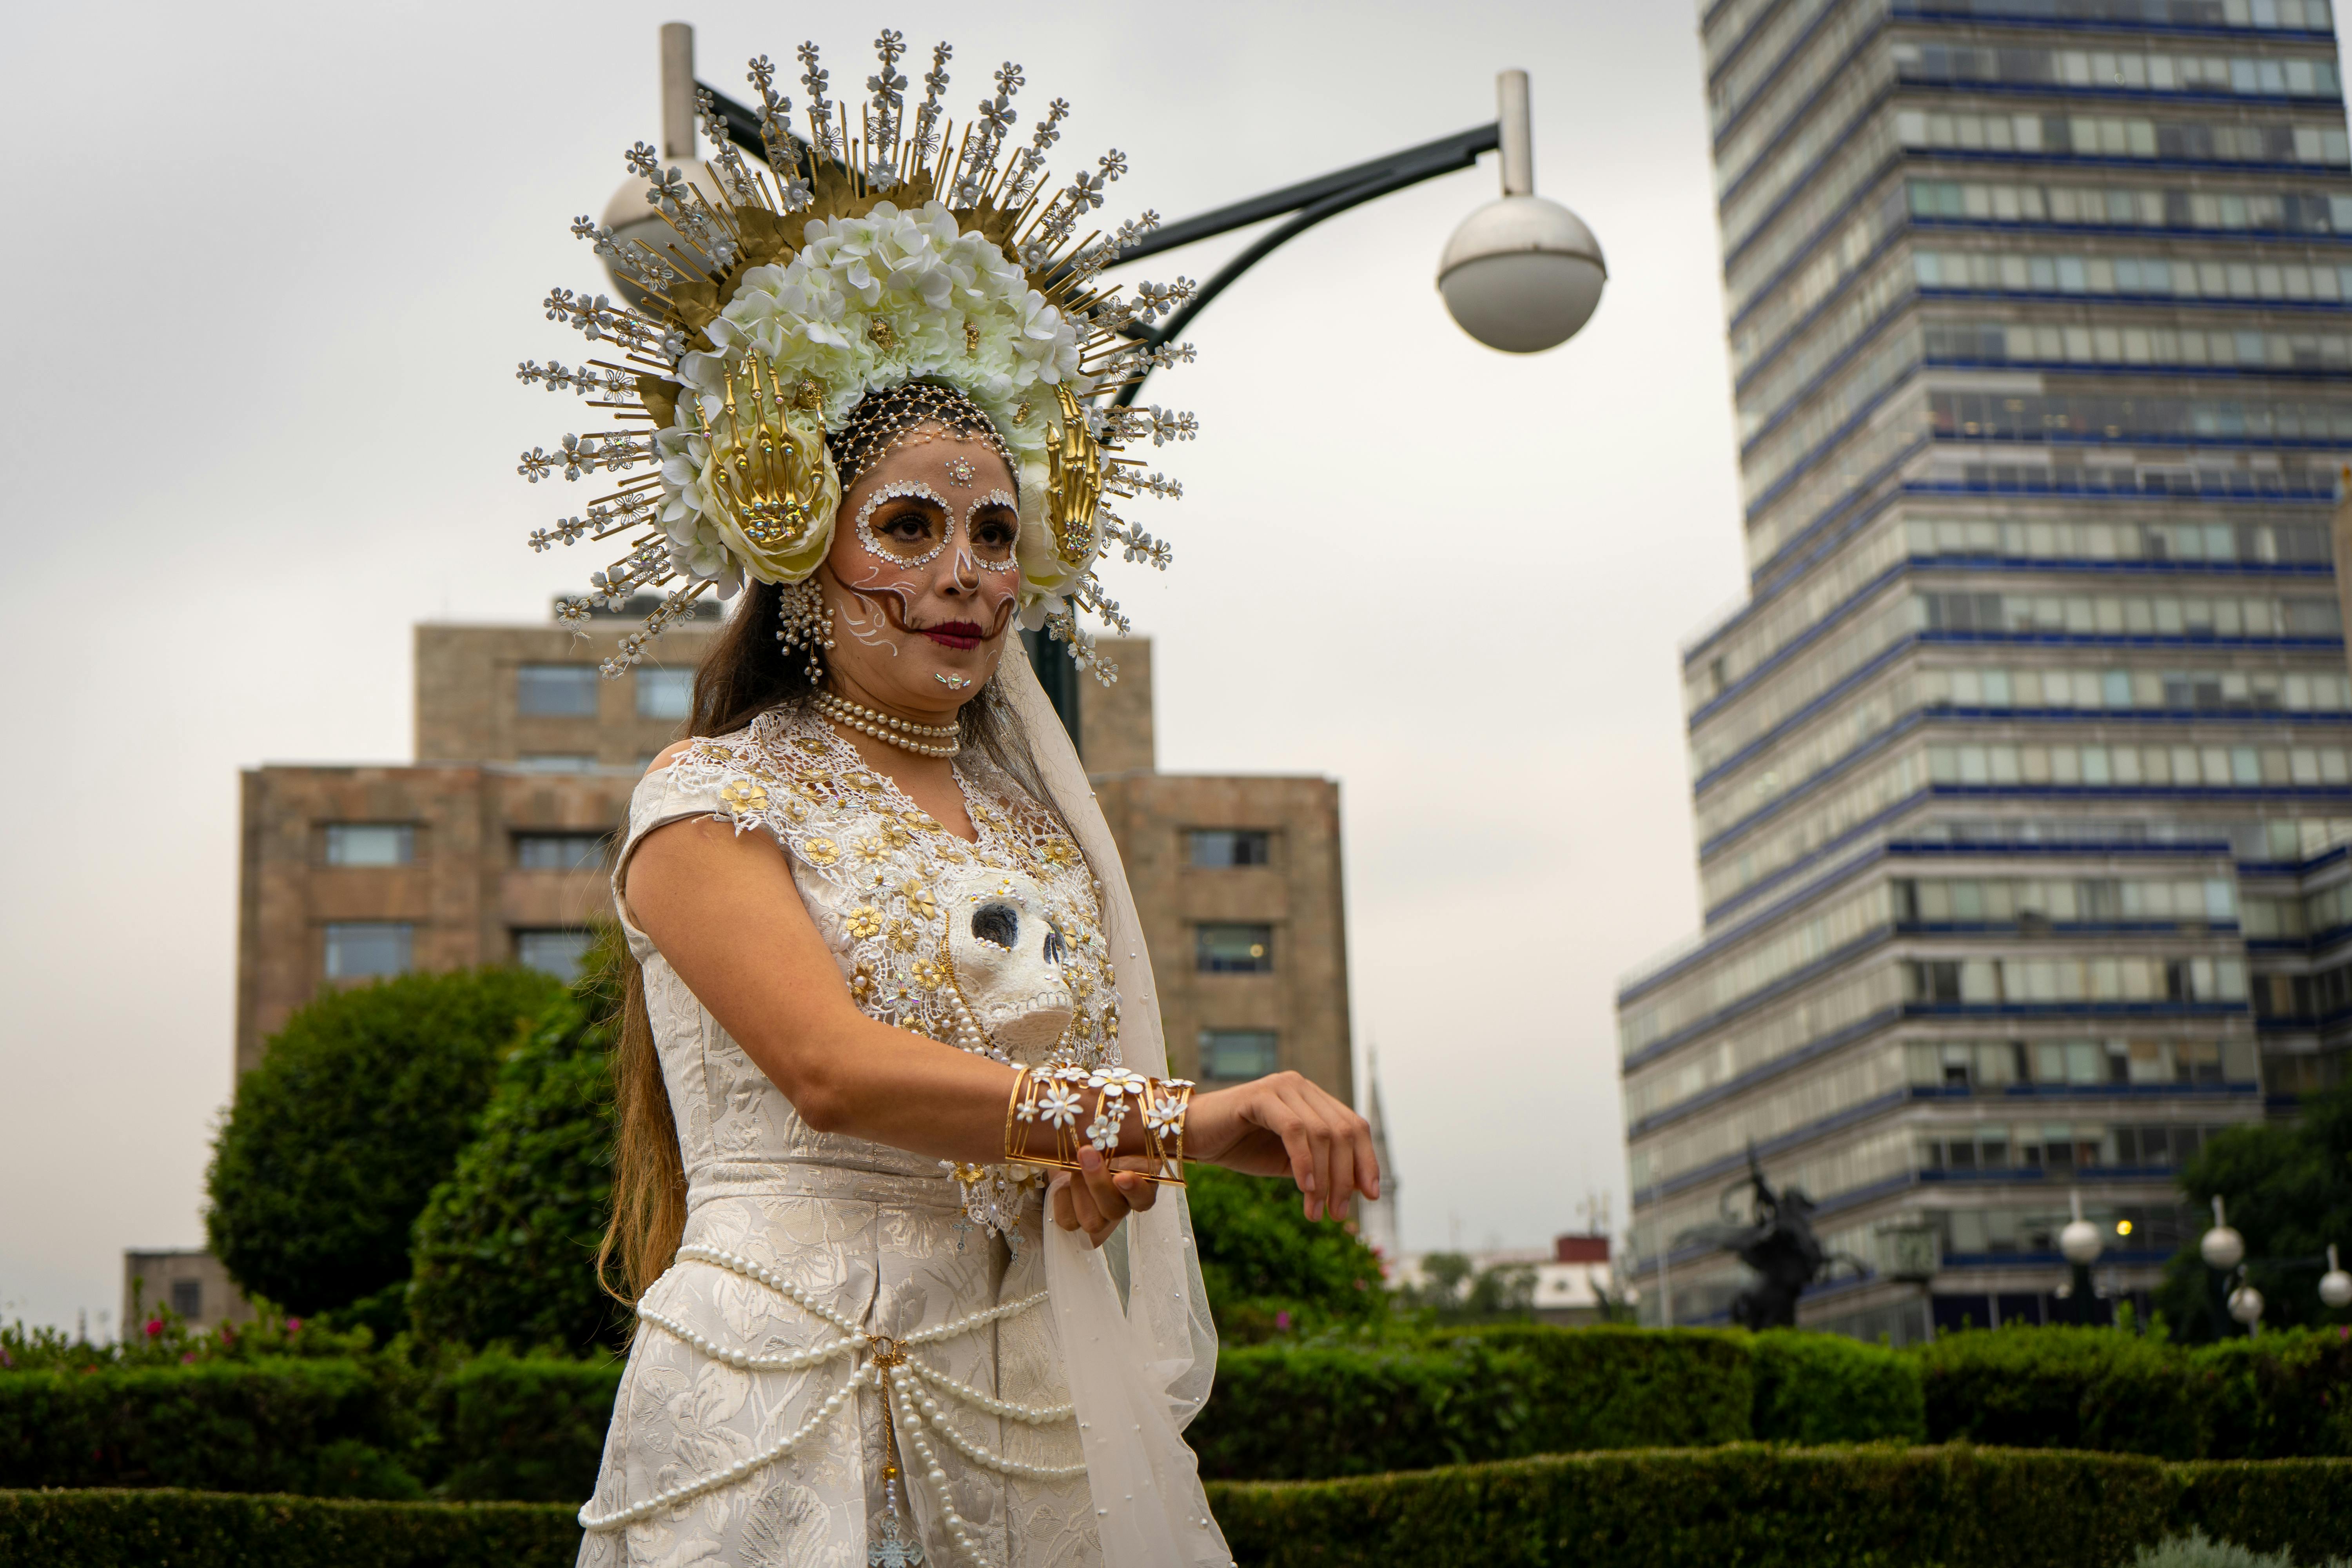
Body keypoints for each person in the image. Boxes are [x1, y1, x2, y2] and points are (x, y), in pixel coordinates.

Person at [524, 37, 1378, 1568]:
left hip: (1017, 1418)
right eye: (909, 525)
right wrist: (1186, 1119)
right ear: (804, 550)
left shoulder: (1040, 836)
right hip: (774, 1411)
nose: (965, 572)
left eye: (996, 530)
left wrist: (1099, 1188)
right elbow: (834, 1072)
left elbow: (1035, 1171)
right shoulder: (708, 798)